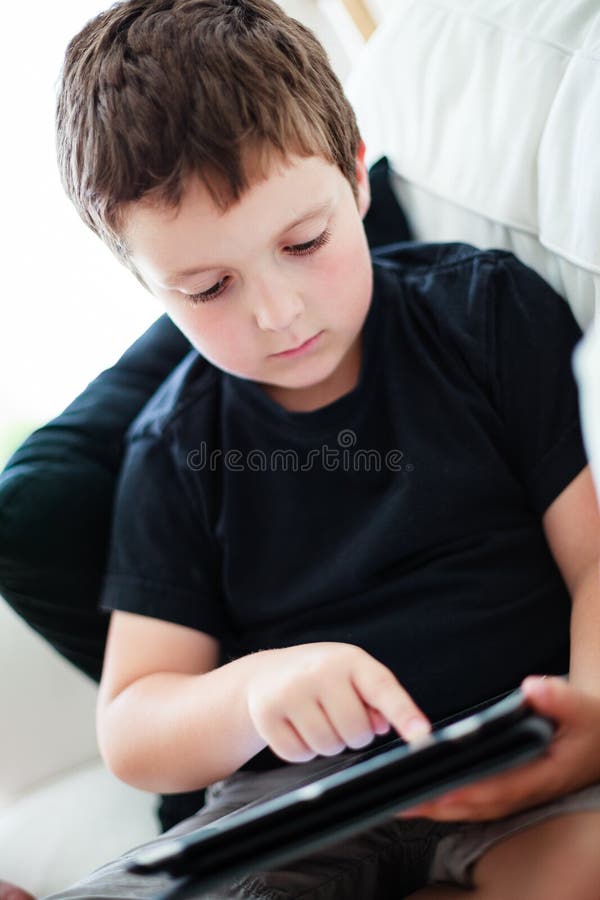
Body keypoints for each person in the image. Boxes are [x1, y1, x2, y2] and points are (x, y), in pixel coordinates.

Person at [43, 0, 600, 897]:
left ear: (357, 179)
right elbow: (135, 726)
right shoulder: (177, 445)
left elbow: (596, 562)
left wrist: (597, 711)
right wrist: (256, 690)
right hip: (296, 801)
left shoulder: (483, 314)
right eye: (208, 287)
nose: (277, 312)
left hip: (509, 755)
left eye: (304, 243)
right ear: (146, 284)